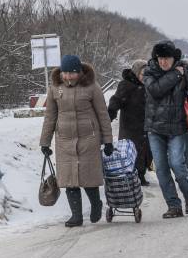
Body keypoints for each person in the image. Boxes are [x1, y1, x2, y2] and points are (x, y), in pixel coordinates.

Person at [40, 54, 113, 227]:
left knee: (88, 178)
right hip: (64, 140)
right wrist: (45, 142)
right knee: (69, 180)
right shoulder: (54, 89)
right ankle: (76, 216)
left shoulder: (92, 87)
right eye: (65, 73)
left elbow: (103, 115)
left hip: (89, 138)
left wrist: (108, 140)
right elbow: (50, 116)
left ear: (79, 72)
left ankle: (96, 205)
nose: (68, 77)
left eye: (72, 73)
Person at [143, 40, 188, 219]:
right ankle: (174, 206)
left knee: (178, 165)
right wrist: (174, 75)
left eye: (167, 58)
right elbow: (156, 90)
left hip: (177, 129)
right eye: (160, 58)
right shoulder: (149, 72)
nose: (163, 62)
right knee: (162, 169)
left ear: (174, 58)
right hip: (155, 130)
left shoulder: (184, 71)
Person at [108, 59, 152, 186]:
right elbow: (116, 100)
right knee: (131, 152)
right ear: (137, 72)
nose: (145, 77)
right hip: (130, 126)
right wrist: (111, 113)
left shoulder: (149, 86)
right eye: (143, 74)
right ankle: (132, 176)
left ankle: (141, 175)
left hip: (145, 125)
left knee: (145, 152)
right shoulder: (126, 85)